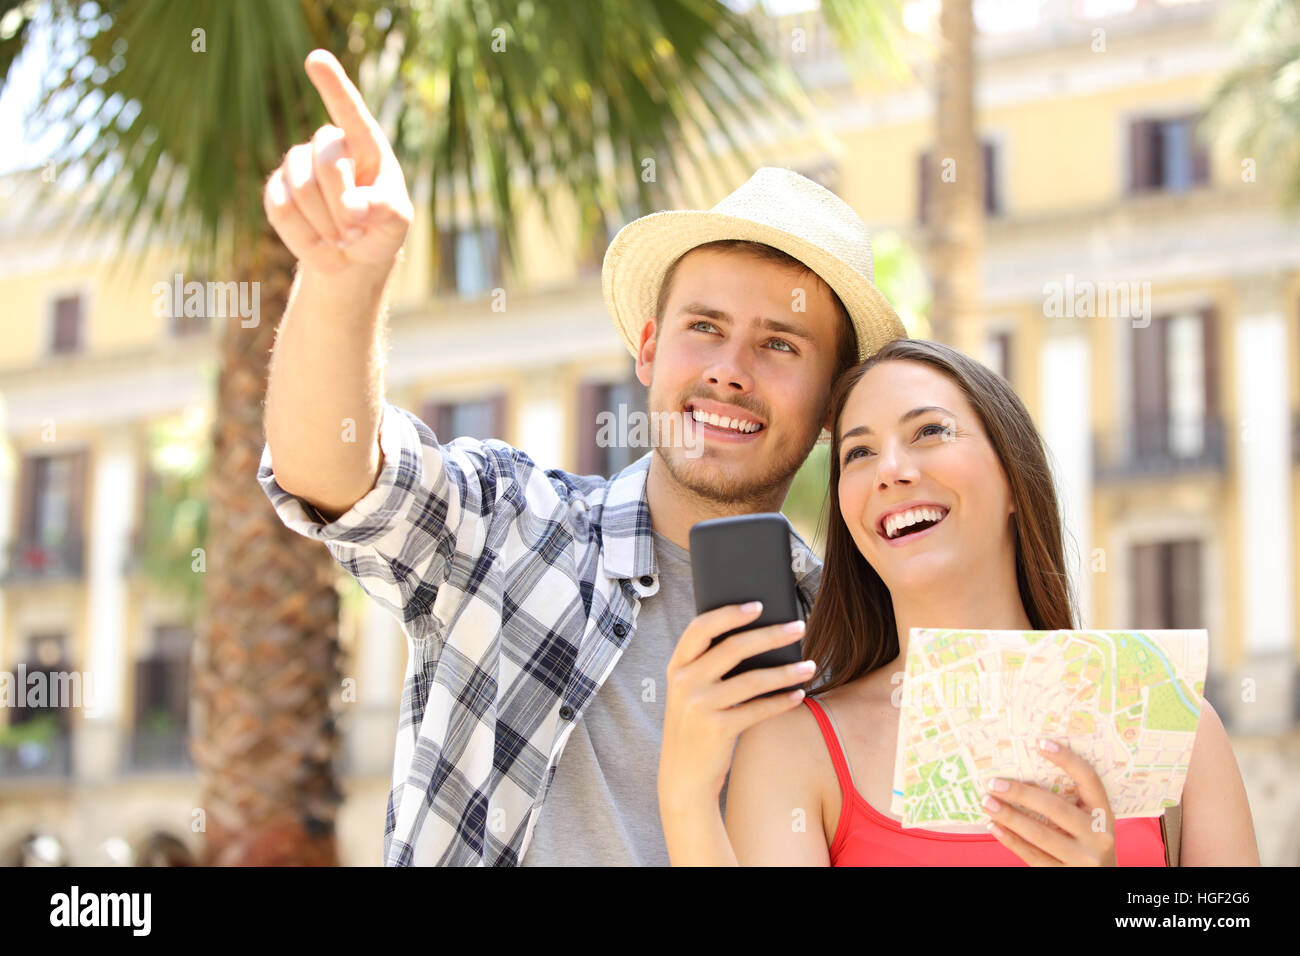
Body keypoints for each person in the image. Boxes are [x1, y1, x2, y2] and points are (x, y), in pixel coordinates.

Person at [257, 49, 906, 865]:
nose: (730, 369)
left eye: (780, 344)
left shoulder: (851, 643)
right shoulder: (509, 525)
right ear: (647, 349)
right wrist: (342, 280)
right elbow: (331, 472)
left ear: (830, 407)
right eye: (704, 327)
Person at [659, 338, 1260, 865]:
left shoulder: (1177, 729)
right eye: (859, 453)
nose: (890, 470)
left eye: (929, 431)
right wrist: (684, 798)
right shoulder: (795, 747)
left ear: (1013, 482)